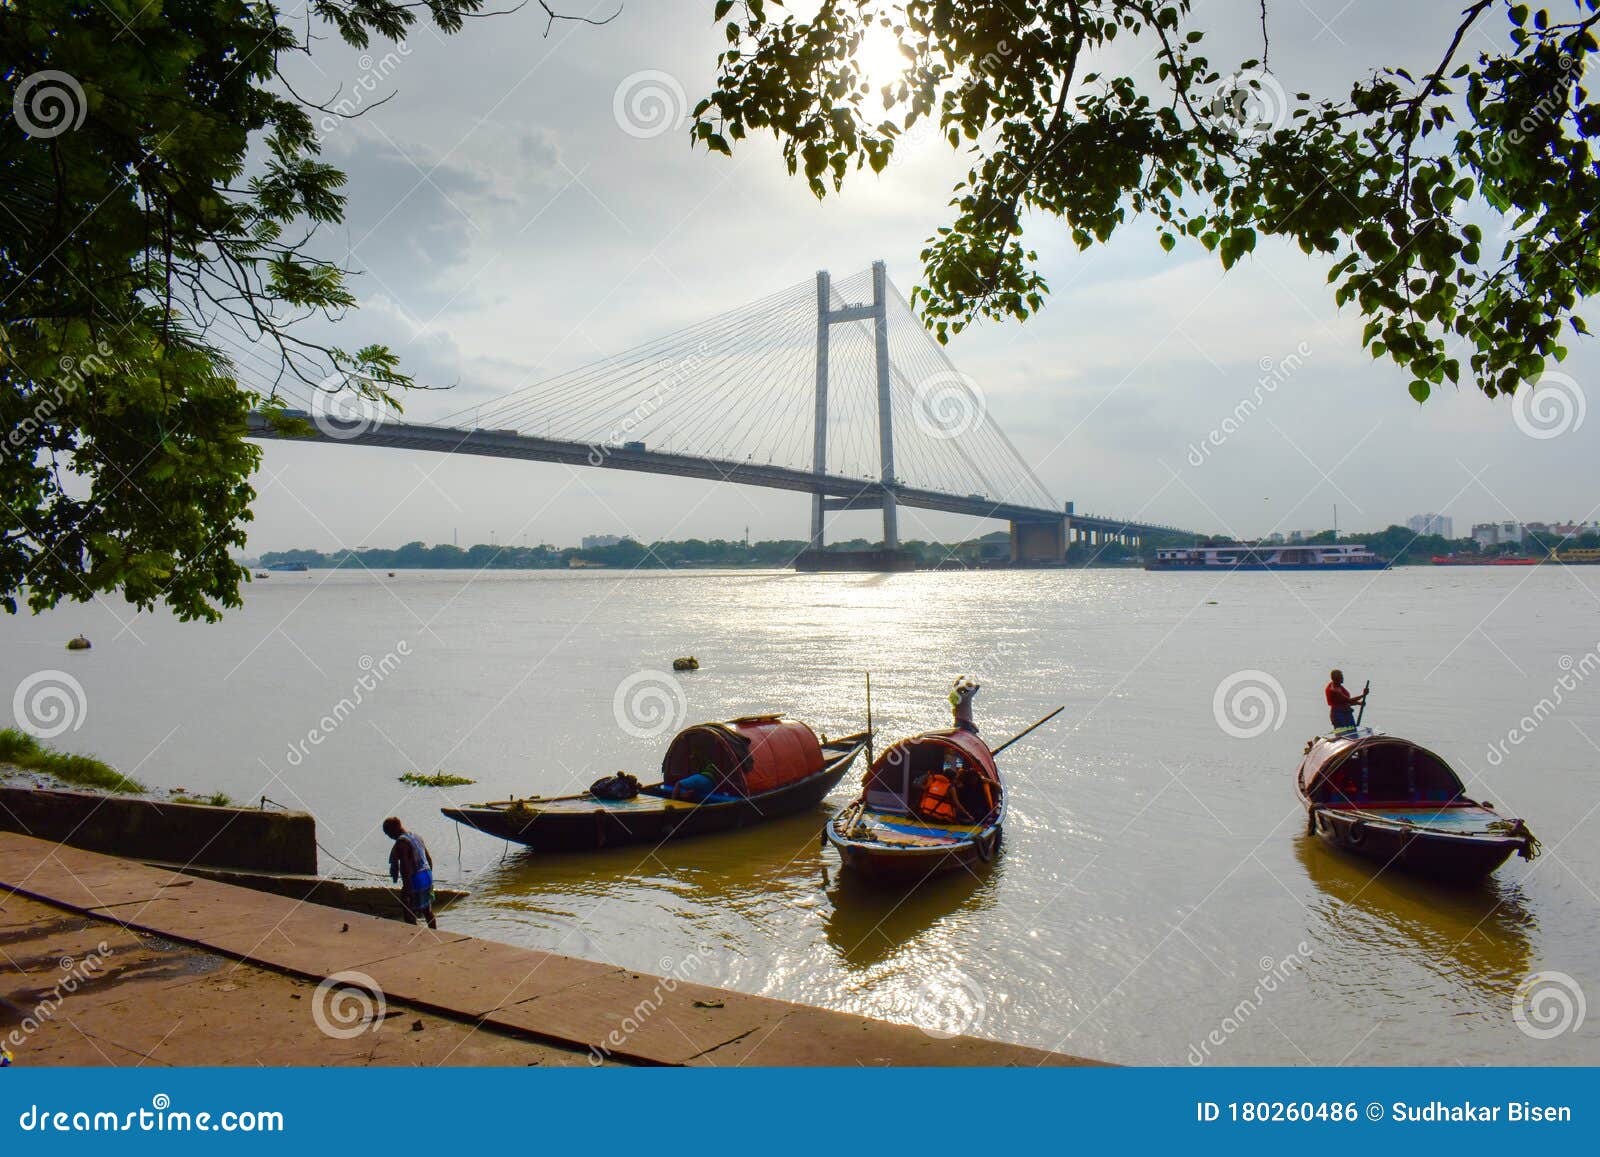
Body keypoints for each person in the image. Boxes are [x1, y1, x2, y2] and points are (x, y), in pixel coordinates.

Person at [383, 816, 437, 929]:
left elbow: (405, 867)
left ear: (394, 829)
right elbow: (429, 859)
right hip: (427, 874)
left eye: (388, 834)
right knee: (427, 910)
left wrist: (407, 888)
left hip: (416, 877)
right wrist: (430, 879)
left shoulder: (401, 844)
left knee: (407, 907)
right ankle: (434, 931)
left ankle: (412, 932)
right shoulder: (417, 837)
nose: (389, 837)